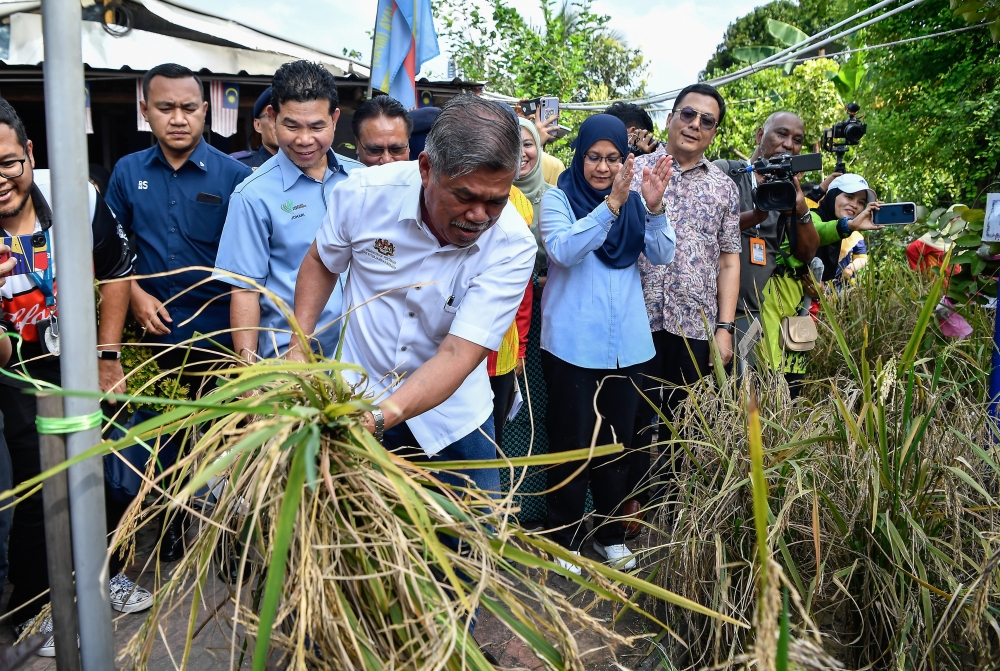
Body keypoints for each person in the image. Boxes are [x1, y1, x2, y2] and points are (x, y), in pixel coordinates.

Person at [290, 95, 535, 495]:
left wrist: (381, 417)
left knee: (474, 544)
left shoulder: (512, 245)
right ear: (426, 169)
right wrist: (298, 345)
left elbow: (458, 353)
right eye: (464, 196)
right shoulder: (365, 195)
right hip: (353, 397)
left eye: (495, 200)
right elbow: (321, 260)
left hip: (453, 417)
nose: (479, 216)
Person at [0, 99, 149, 653]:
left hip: (80, 359)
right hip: (13, 372)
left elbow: (115, 270)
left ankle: (98, 573)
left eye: (9, 163)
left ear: (30, 153)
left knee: (99, 465)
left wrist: (108, 355)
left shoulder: (74, 194)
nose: (1, 180)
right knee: (34, 487)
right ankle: (39, 604)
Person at [105, 63, 252, 560]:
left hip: (218, 335)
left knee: (222, 440)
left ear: (206, 111)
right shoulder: (127, 172)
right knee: (161, 440)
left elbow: (249, 263)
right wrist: (139, 296)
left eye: (189, 107)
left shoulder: (237, 177)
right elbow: (111, 254)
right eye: (165, 108)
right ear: (145, 111)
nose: (178, 118)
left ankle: (225, 535)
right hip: (150, 334)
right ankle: (168, 523)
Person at [539, 114, 675, 573]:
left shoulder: (639, 203)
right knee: (571, 445)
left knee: (618, 446)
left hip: (629, 347)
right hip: (572, 346)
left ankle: (611, 534)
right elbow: (562, 250)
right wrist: (611, 207)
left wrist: (653, 210)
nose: (602, 167)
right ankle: (564, 540)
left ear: (625, 160)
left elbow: (662, 254)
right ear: (579, 157)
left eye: (613, 158)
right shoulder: (557, 199)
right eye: (594, 157)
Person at [623, 84, 741, 528]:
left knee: (686, 422)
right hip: (637, 316)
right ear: (671, 117)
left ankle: (675, 514)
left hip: (695, 324)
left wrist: (725, 327)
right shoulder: (633, 172)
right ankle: (628, 506)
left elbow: (730, 260)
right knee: (632, 416)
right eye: (688, 114)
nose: (695, 125)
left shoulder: (724, 188)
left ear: (713, 132)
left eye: (706, 120)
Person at [216, 61, 361, 363]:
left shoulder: (362, 181)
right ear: (272, 117)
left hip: (361, 365)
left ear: (335, 119)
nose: (304, 139)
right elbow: (244, 292)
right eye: (292, 125)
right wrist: (251, 377)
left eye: (317, 126)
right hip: (288, 370)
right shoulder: (252, 195)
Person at [714, 112, 820, 372]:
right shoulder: (727, 173)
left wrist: (800, 208)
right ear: (761, 136)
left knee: (742, 397)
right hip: (710, 311)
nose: (788, 144)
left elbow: (805, 253)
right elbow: (704, 228)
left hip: (751, 316)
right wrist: (757, 216)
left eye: (797, 140)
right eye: (781, 134)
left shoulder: (786, 192)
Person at [759, 173, 882, 396]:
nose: (854, 205)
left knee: (793, 382)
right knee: (767, 376)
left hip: (803, 310)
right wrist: (849, 225)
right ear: (833, 195)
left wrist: (819, 292)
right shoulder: (808, 216)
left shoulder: (840, 237)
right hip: (774, 301)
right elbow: (818, 232)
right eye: (849, 197)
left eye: (860, 202)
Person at [514, 116, 552, 273]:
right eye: (513, 145)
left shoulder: (556, 197)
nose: (521, 153)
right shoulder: (491, 198)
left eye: (528, 144)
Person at [352, 95, 412, 167]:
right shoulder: (343, 178)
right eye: (375, 151)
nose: (386, 160)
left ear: (408, 145)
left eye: (396, 150)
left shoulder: (422, 177)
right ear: (357, 144)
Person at [231, 87, 279, 170]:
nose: (280, 124)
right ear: (257, 125)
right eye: (273, 117)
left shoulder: (306, 166)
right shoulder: (238, 166)